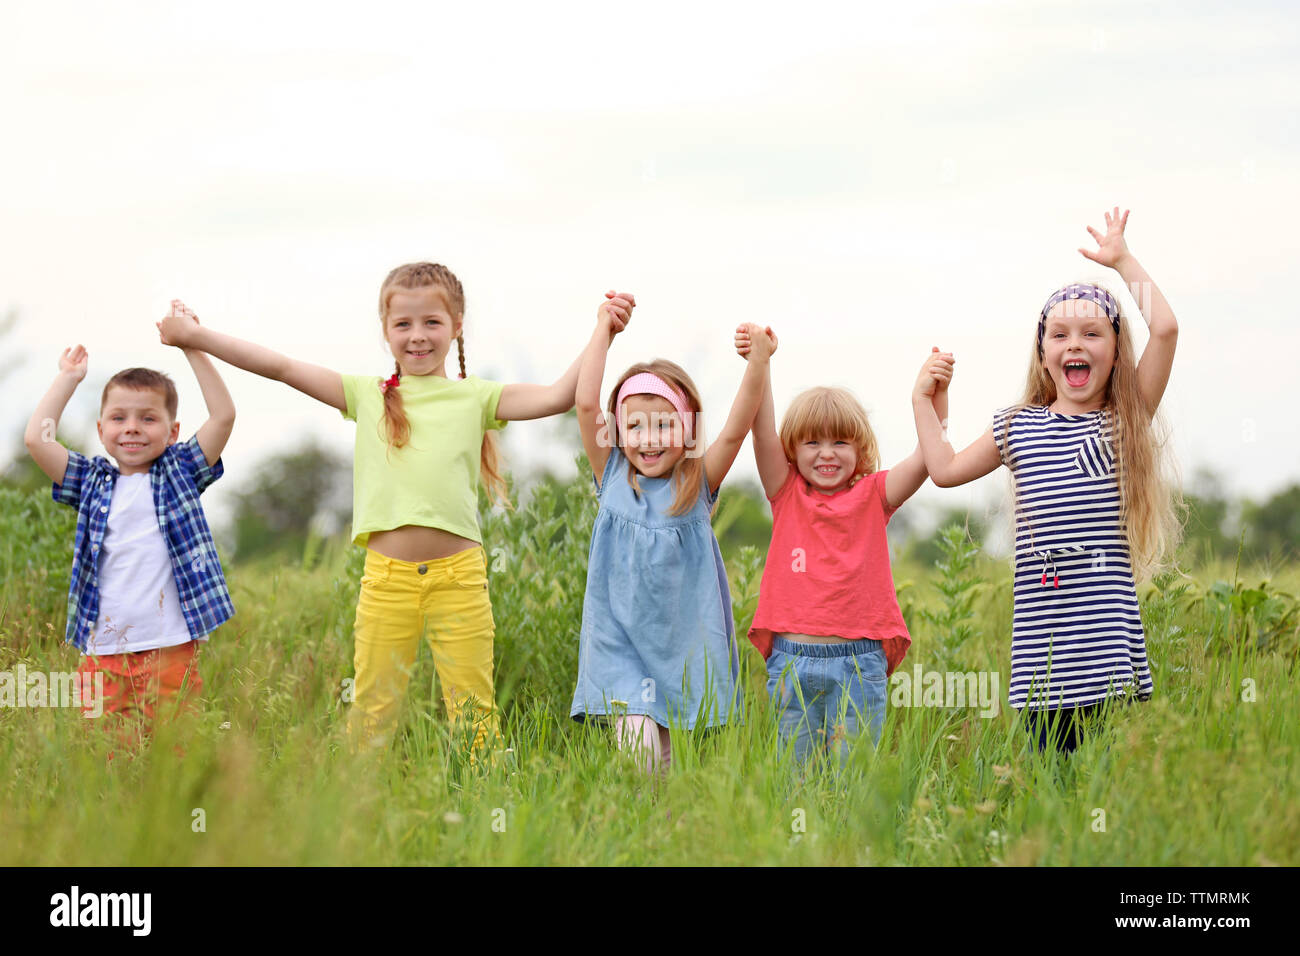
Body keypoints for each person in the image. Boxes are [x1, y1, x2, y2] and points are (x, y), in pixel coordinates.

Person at [159, 264, 634, 754]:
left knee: (475, 714)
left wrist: (604, 330)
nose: (418, 336)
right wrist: (195, 338)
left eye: (432, 322)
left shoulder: (476, 396)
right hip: (387, 580)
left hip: (459, 579)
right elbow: (279, 367)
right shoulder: (367, 395)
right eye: (403, 324)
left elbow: (560, 396)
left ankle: (489, 808)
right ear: (385, 330)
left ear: (457, 324)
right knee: (371, 715)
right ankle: (356, 813)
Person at [911, 207, 1180, 754]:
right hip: (1043, 655)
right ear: (1043, 352)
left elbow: (1168, 329)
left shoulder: (1123, 422)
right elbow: (943, 470)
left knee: (1103, 782)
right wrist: (927, 401)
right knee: (1053, 785)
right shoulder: (1017, 425)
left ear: (1115, 349)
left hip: (1107, 652)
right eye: (1060, 334)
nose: (1074, 344)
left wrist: (1123, 261)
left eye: (1091, 333)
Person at [569, 311, 773, 775]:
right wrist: (604, 329)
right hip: (620, 647)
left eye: (664, 425)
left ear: (688, 429)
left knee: (675, 767)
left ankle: (663, 835)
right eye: (635, 426)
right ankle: (648, 824)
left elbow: (737, 427)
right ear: (618, 431)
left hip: (683, 650)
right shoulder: (613, 476)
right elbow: (585, 405)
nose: (649, 439)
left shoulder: (697, 482)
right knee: (641, 757)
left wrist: (757, 360)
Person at [24, 301, 237, 742]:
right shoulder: (92, 482)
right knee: (106, 755)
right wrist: (67, 379)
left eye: (148, 418)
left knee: (171, 755)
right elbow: (37, 439)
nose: (132, 428)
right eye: (119, 418)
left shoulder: (179, 473)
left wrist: (191, 344)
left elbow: (223, 416)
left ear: (173, 431)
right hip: (102, 652)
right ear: (101, 430)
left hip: (170, 648)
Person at [739, 326, 949, 764]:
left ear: (860, 448)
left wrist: (932, 397)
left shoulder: (875, 495)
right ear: (793, 450)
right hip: (793, 661)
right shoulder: (785, 490)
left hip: (858, 664)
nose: (827, 453)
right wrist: (762, 362)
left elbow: (928, 457)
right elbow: (761, 433)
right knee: (795, 778)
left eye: (840, 441)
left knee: (850, 779)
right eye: (812, 442)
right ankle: (797, 836)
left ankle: (849, 838)